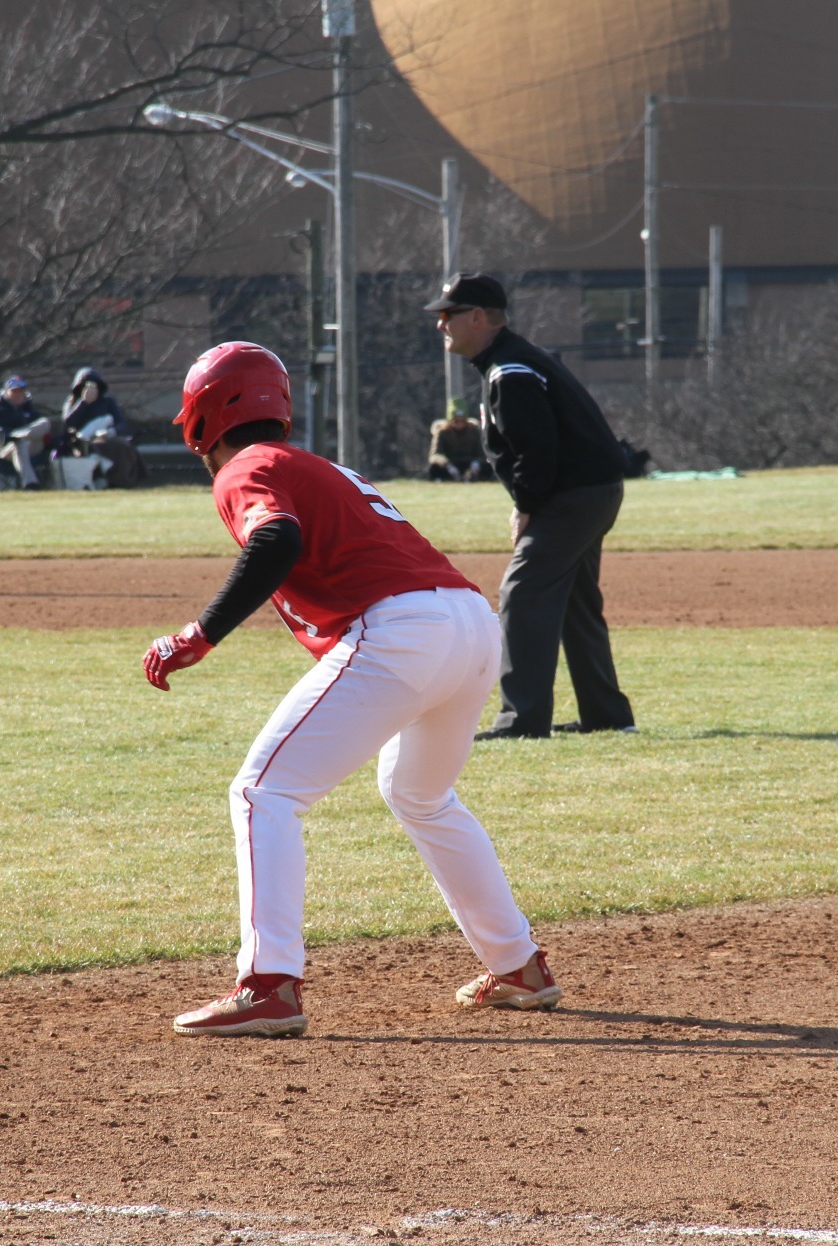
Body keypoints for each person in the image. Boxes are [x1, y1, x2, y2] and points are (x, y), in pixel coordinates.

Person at [146, 342, 562, 1038]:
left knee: (262, 792)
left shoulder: (246, 466)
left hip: (403, 630)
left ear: (204, 418)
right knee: (418, 792)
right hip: (469, 624)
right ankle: (518, 963)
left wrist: (200, 633)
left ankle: (269, 984)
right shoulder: (313, 463)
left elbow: (274, 538)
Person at [427, 273, 636, 740]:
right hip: (593, 491)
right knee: (577, 603)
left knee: (522, 594)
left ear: (477, 318)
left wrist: (525, 505)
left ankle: (522, 720)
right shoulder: (513, 361)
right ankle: (608, 716)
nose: (440, 325)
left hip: (573, 496)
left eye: (447, 315)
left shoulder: (512, 370)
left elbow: (537, 449)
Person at [63, 367, 145, 488]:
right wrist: (84, 403)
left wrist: (111, 431)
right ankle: (103, 479)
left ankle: (123, 479)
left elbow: (121, 423)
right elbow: (69, 423)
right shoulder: (73, 403)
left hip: (107, 437)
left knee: (122, 446)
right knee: (97, 447)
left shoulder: (107, 402)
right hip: (83, 442)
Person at [0, 375, 53, 489]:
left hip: (30, 444)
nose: (18, 394)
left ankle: (17, 435)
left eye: (21, 391)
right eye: (14, 391)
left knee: (44, 422)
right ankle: (31, 485)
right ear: (6, 392)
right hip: (2, 450)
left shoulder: (29, 410)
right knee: (19, 445)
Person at [427, 408, 486, 481]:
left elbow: (482, 454)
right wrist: (447, 465)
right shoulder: (442, 432)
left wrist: (476, 463)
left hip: (470, 463)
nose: (459, 424)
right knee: (433, 468)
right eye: (456, 421)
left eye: (462, 421)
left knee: (487, 467)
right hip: (450, 463)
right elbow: (435, 455)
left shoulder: (474, 431)